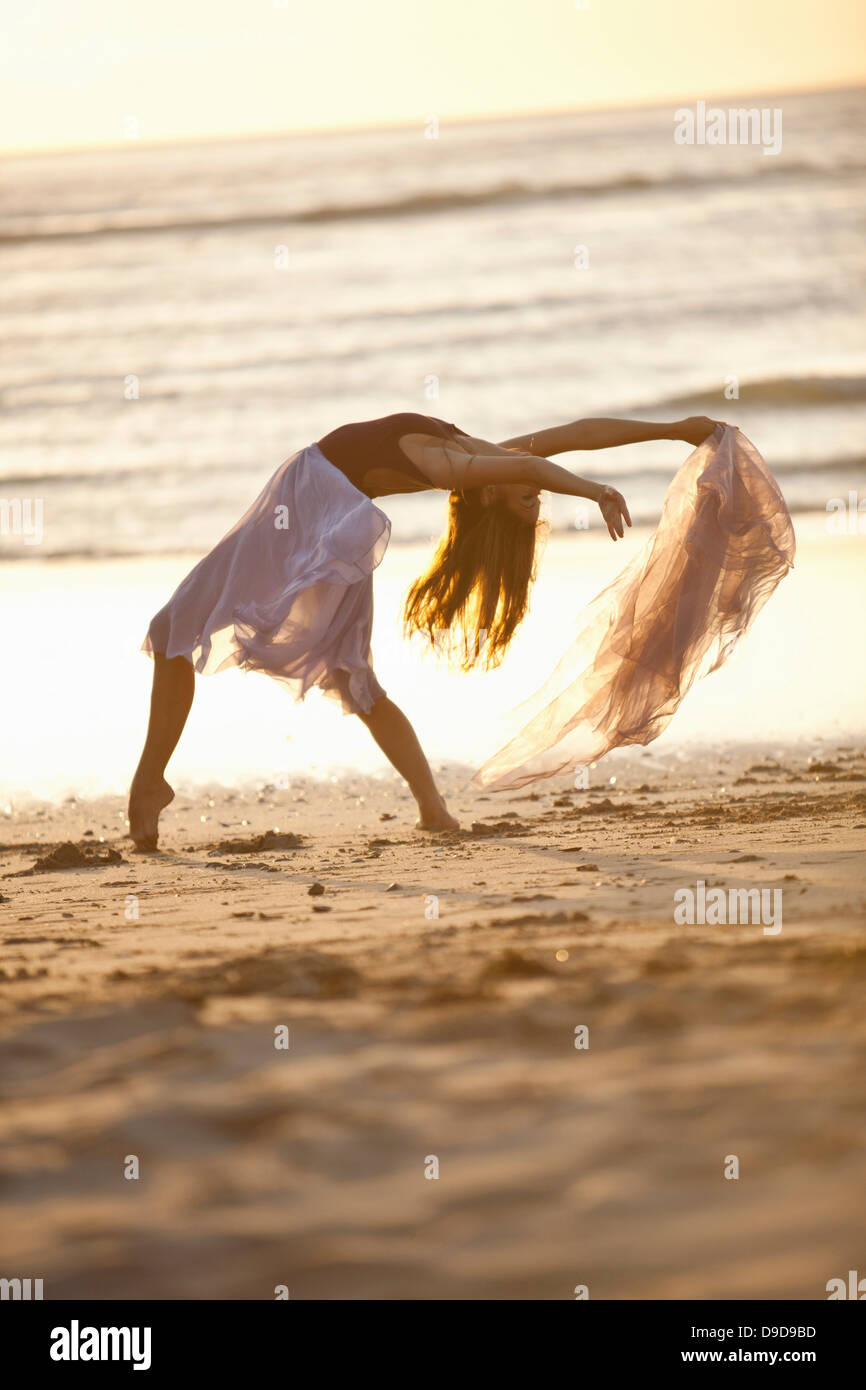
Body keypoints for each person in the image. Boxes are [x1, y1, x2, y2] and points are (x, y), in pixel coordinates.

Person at [128, 410, 718, 847]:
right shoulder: (466, 455)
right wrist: (666, 434)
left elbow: (552, 453)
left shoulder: (460, 461)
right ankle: (431, 807)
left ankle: (152, 780)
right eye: (532, 494)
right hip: (322, 509)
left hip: (321, 509)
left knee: (185, 631)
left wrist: (625, 466)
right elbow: (574, 439)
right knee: (334, 673)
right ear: (493, 483)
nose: (536, 490)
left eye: (530, 496)